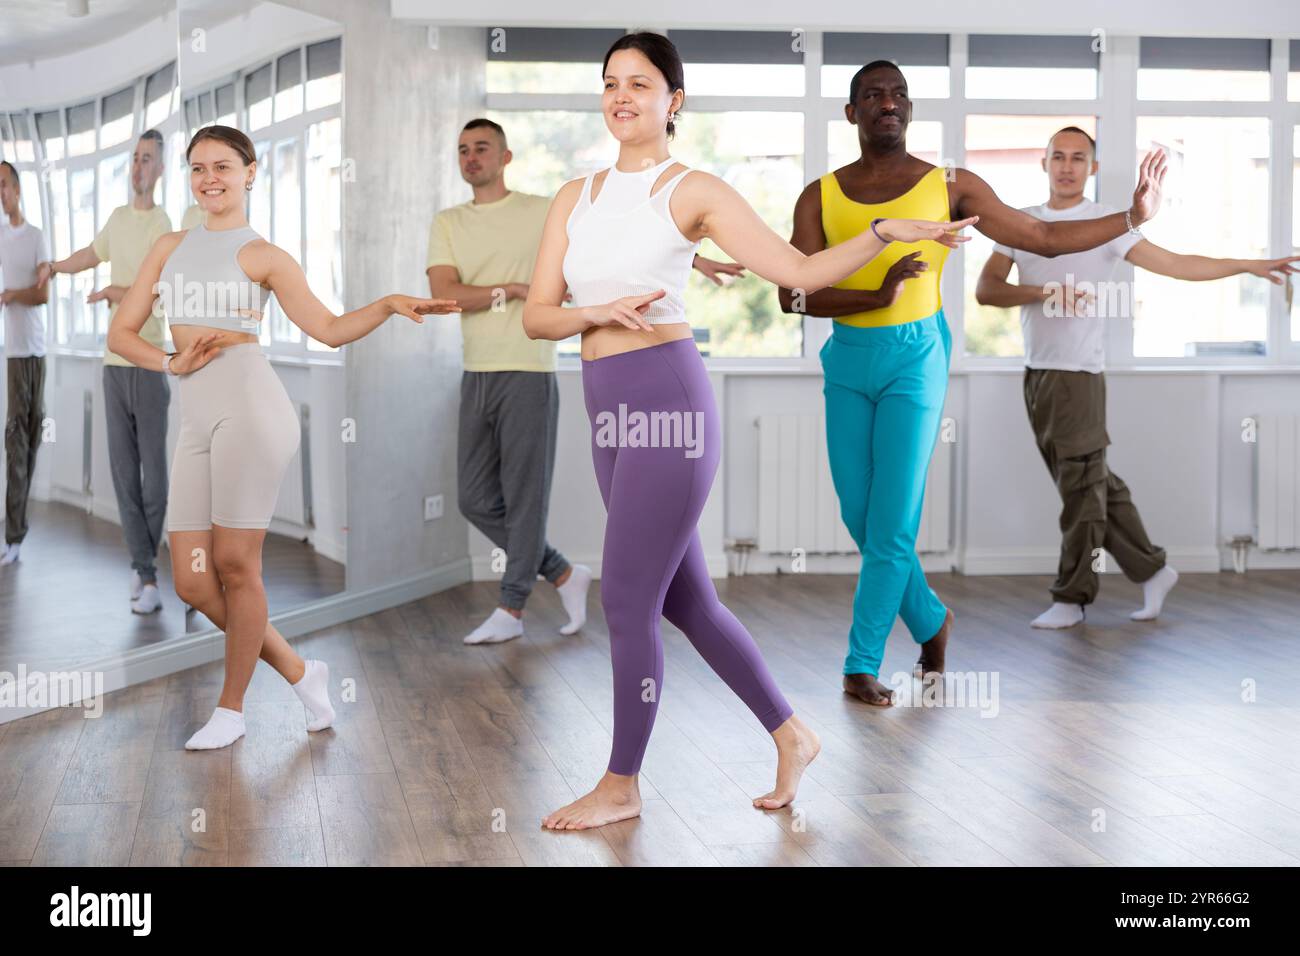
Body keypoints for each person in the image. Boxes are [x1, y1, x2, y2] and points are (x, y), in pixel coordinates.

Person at [523, 33, 976, 830]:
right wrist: (592, 310)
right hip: (607, 405)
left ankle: (621, 783)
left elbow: (797, 275)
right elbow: (537, 315)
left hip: (666, 400)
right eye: (609, 84)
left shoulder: (695, 190)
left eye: (639, 83)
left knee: (628, 599)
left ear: (674, 100)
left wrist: (879, 236)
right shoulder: (575, 195)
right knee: (686, 600)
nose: (621, 96)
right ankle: (791, 733)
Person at [778, 59, 1167, 707]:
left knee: (893, 521)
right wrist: (876, 289)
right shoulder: (820, 196)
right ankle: (932, 621)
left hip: (915, 358)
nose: (887, 102)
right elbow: (793, 297)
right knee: (860, 516)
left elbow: (1041, 236)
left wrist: (1132, 218)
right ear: (851, 113)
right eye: (872, 94)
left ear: (911, 109)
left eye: (899, 92)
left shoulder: (950, 183)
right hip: (847, 361)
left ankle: (860, 664)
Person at [106, 125, 460, 750]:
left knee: (236, 565)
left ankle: (232, 710)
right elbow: (121, 333)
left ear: (249, 173)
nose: (209, 178)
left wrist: (383, 305)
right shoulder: (168, 247)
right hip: (196, 416)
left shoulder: (266, 256)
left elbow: (327, 327)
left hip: (251, 409)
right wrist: (169, 362)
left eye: (222, 166)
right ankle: (303, 672)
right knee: (191, 577)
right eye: (197, 168)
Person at [429, 118, 747, 645]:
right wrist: (511, 289)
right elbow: (446, 294)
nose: (471, 157)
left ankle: (512, 607)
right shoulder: (448, 222)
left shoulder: (544, 208)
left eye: (482, 148)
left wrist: (699, 258)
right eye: (462, 149)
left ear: (505, 157)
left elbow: (625, 247)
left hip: (531, 366)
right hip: (476, 366)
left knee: (525, 497)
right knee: (474, 497)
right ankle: (561, 571)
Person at [975, 126, 1300, 629]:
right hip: (1037, 374)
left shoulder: (1108, 226)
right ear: (1043, 164)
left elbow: (1176, 265)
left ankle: (1072, 597)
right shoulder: (1023, 225)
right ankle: (1152, 570)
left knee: (1082, 490)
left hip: (1078, 377)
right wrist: (1041, 295)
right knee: (1095, 481)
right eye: (1057, 156)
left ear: (1093, 168)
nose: (1066, 166)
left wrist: (1246, 265)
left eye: (1078, 157)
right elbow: (987, 291)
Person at [39, 130, 174, 611]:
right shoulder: (118, 220)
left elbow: (150, 288)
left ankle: (147, 566)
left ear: (160, 170)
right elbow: (88, 256)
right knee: (123, 477)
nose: (139, 167)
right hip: (114, 364)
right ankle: (146, 573)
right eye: (135, 158)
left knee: (155, 480)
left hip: (151, 361)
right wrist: (55, 266)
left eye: (147, 160)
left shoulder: (165, 226)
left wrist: (114, 293)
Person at [0, 160, 50, 567]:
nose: (0, 194)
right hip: (15, 355)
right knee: (15, 439)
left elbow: (42, 294)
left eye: (3, 185)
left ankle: (19, 525)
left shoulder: (36, 237)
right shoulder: (0, 237)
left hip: (38, 351)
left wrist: (12, 295)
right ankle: (13, 534)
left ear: (16, 189)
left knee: (34, 437)